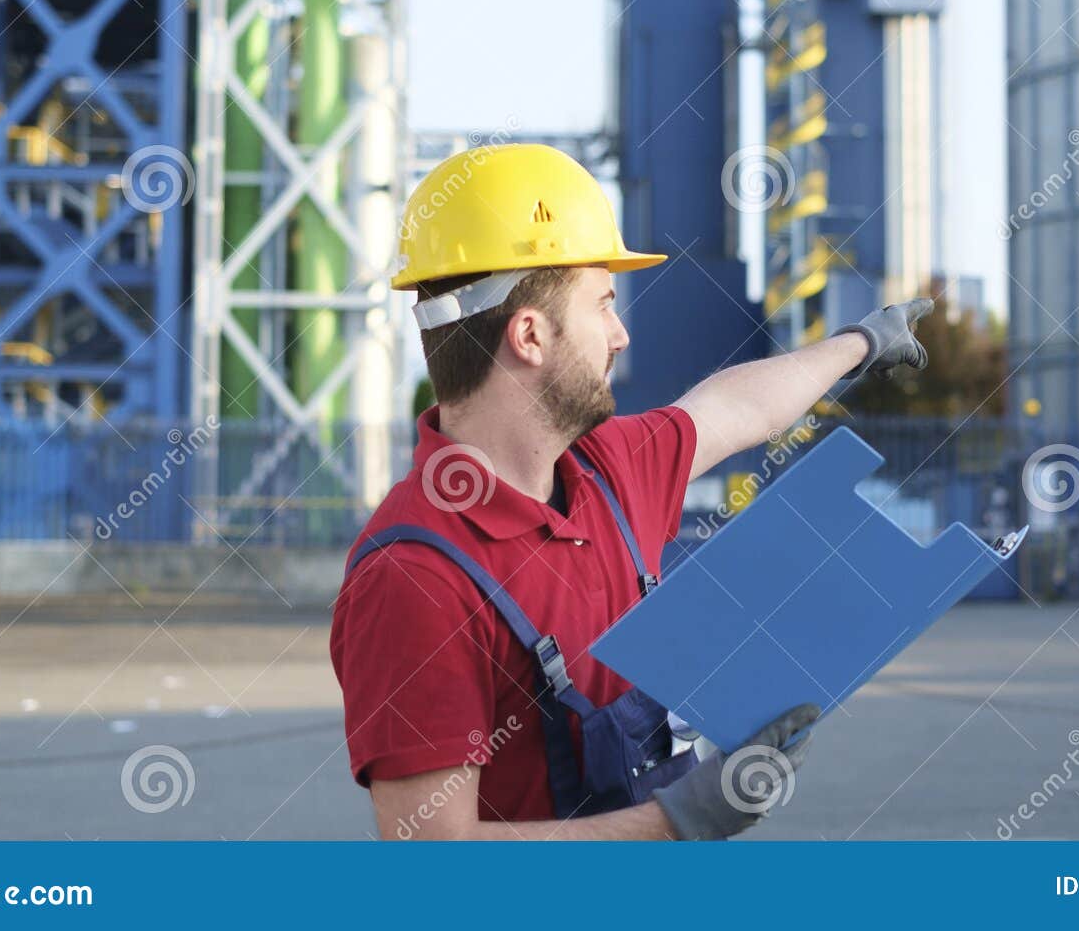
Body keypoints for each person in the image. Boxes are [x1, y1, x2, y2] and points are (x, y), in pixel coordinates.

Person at [330, 143, 930, 839]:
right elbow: (434, 857)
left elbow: (736, 409)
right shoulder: (413, 578)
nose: (620, 334)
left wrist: (859, 343)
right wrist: (675, 819)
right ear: (530, 333)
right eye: (604, 305)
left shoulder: (606, 469)